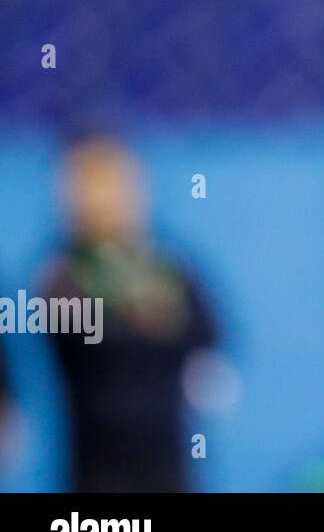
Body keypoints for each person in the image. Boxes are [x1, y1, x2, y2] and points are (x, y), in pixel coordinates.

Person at [43, 134, 217, 492]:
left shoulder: (163, 264)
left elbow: (208, 329)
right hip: (99, 465)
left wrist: (157, 315)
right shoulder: (62, 272)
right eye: (92, 185)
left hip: (166, 458)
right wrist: (137, 316)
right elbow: (80, 337)